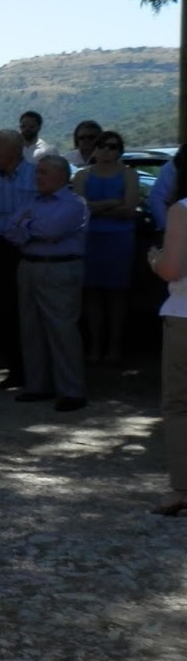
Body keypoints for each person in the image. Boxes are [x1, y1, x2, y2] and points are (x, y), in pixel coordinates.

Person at [7, 154, 90, 411]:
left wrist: (27, 226)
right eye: (37, 172)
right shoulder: (32, 202)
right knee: (31, 328)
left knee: (62, 329)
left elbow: (53, 230)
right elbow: (10, 229)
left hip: (60, 268)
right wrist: (32, 228)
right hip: (29, 266)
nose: (37, 177)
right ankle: (38, 385)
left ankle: (72, 390)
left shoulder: (75, 203)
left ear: (61, 176)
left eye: (43, 172)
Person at [73, 129, 140, 365]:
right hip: (91, 240)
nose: (106, 150)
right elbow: (79, 208)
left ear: (120, 150)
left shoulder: (130, 175)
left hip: (120, 240)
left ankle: (114, 346)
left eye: (112, 146)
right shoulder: (82, 176)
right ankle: (95, 345)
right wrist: (113, 203)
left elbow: (130, 209)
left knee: (117, 295)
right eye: (102, 145)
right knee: (92, 294)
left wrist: (96, 208)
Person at [0, 128, 36, 387]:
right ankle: (16, 370)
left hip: (29, 250)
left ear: (14, 149)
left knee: (30, 312)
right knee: (6, 311)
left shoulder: (35, 175)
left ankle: (36, 371)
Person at [149, 192, 187, 514]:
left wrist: (154, 260)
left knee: (180, 404)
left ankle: (182, 489)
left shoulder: (183, 209)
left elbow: (172, 269)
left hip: (185, 314)